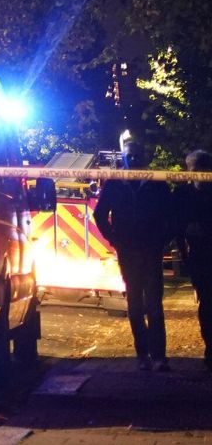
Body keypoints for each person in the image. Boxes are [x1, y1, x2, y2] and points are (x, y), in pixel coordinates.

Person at [95, 130, 174, 371]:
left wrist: (162, 240)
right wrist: (114, 239)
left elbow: (170, 215)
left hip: (150, 250)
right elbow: (99, 214)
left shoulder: (157, 184)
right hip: (128, 251)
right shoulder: (115, 184)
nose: (134, 160)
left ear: (144, 158)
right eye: (130, 156)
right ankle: (143, 355)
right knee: (135, 306)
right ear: (124, 158)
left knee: (154, 304)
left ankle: (158, 356)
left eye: (137, 156)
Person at [176, 149, 212, 372]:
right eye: (195, 169)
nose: (198, 174)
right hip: (199, 257)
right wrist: (184, 256)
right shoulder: (183, 194)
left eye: (203, 169)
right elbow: (178, 228)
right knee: (207, 304)